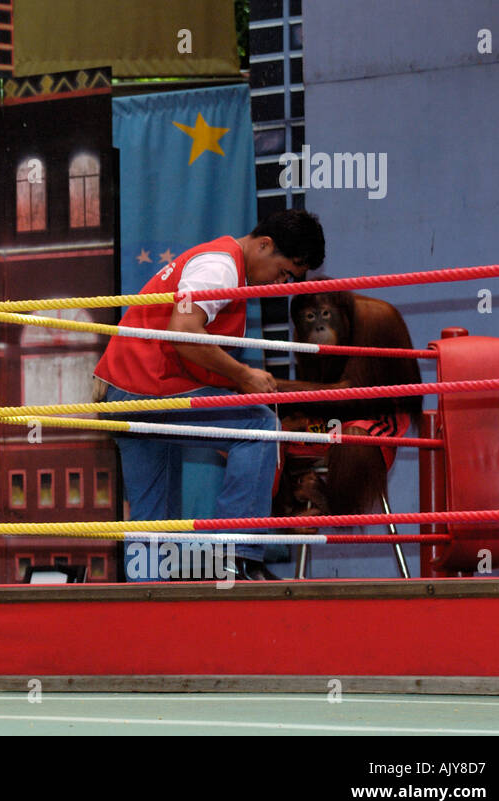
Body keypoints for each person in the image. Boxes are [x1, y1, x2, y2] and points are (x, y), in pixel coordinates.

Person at [93, 210, 325, 581]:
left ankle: (145, 614)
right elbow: (184, 332)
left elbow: (186, 340)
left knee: (153, 518)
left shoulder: (219, 263)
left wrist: (236, 382)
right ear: (265, 245)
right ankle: (235, 554)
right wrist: (244, 375)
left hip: (127, 389)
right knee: (259, 425)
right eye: (285, 272)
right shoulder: (220, 267)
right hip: (150, 387)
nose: (282, 283)